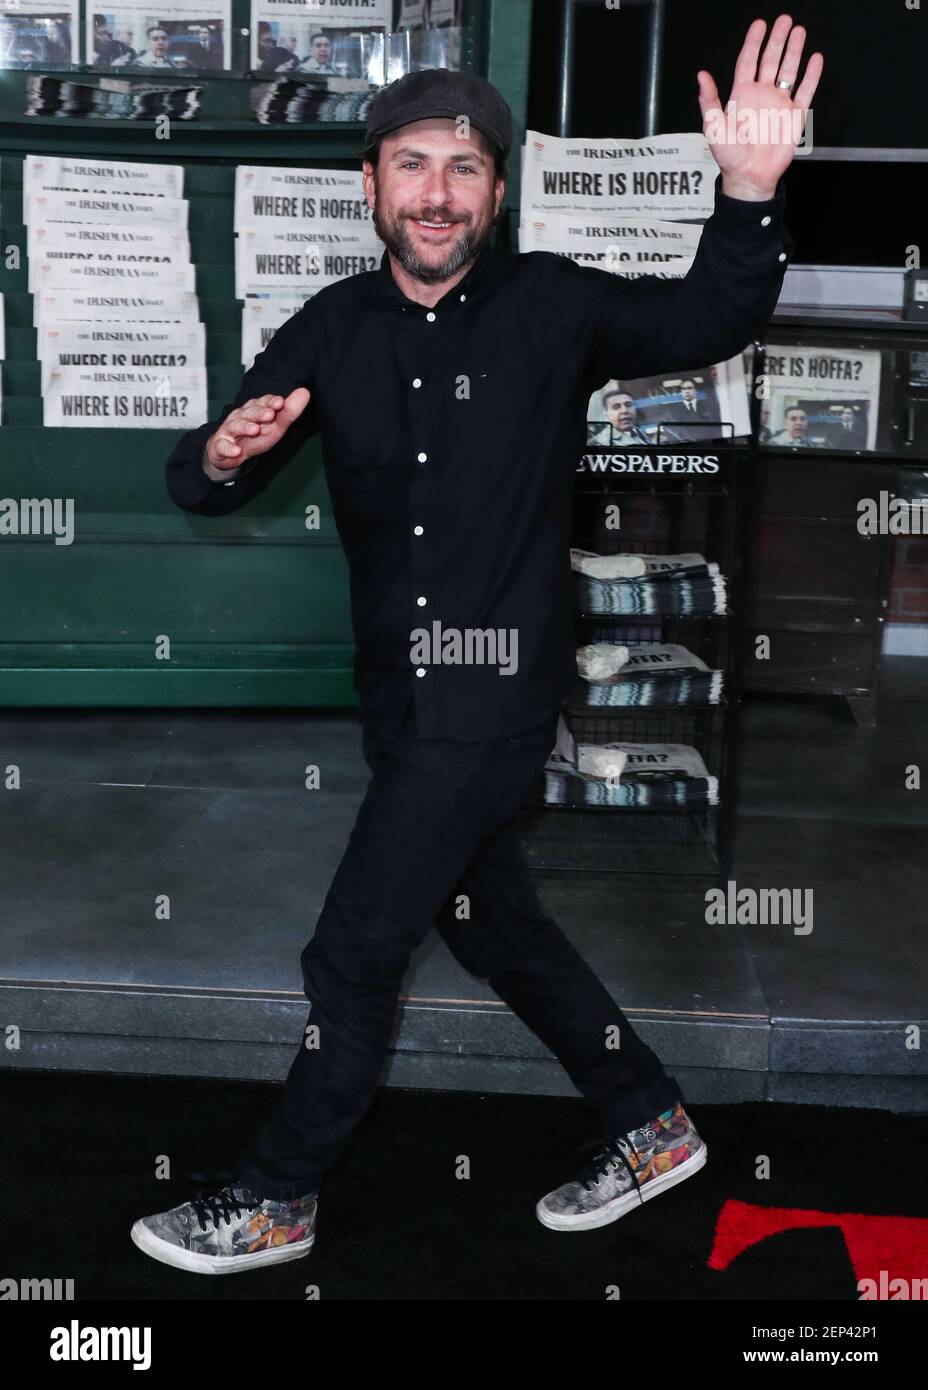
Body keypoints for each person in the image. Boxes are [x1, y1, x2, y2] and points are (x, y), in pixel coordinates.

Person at [133, 14, 822, 1274]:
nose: (435, 194)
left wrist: (748, 190)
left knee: (352, 944)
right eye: (411, 165)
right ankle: (649, 1120)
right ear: (372, 185)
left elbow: (703, 321)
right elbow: (207, 467)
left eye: (462, 168)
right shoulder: (332, 327)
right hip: (399, 699)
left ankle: (280, 1192)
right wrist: (220, 456)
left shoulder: (553, 304)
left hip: (493, 698)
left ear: (496, 191)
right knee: (493, 921)